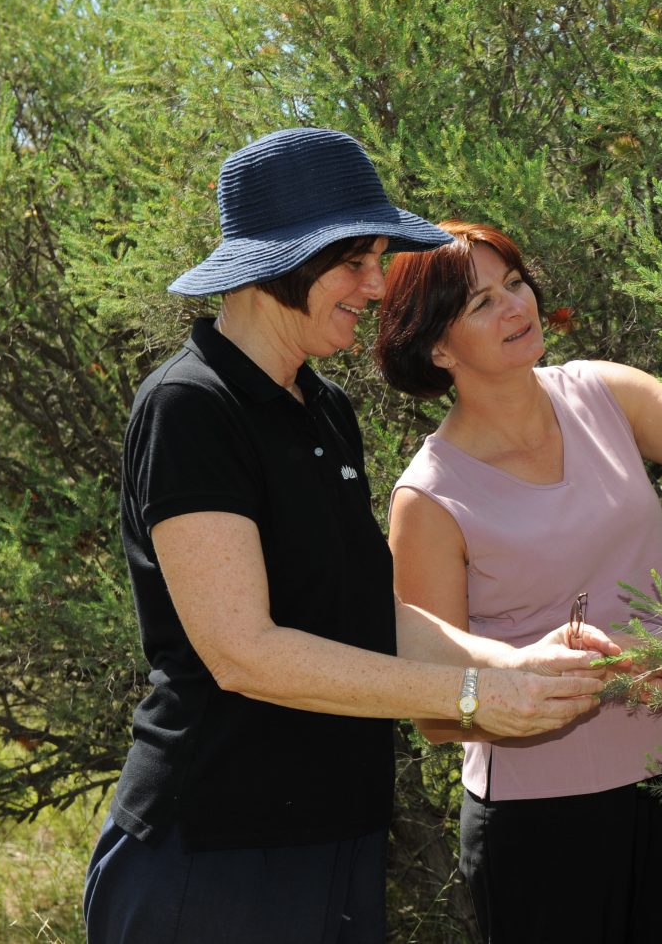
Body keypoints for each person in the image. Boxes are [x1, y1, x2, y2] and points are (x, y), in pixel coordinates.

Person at [83, 130, 615, 944]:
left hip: (335, 842)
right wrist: (473, 697)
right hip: (214, 856)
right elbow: (243, 653)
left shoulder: (324, 408)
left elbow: (361, 611)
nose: (376, 286)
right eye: (354, 261)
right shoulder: (191, 406)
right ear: (275, 263)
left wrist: (515, 667)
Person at [373, 222, 662, 944]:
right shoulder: (428, 498)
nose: (515, 307)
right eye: (479, 304)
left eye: (515, 285)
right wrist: (589, 678)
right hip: (542, 823)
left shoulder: (605, 394)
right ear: (438, 348)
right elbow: (432, 708)